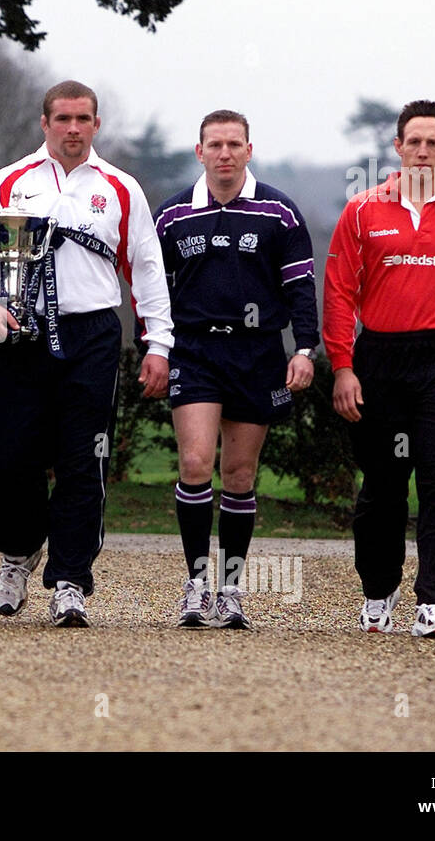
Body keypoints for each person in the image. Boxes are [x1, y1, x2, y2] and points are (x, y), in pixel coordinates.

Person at [0, 80, 173, 627]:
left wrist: (159, 345)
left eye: (83, 119)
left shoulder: (121, 189)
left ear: (96, 125)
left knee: (83, 459)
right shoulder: (9, 182)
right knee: (7, 458)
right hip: (19, 335)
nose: (73, 129)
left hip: (92, 336)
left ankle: (71, 579)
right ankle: (20, 548)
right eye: (63, 119)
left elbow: (146, 269)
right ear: (45, 122)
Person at [324, 99, 435, 640]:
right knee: (382, 485)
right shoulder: (362, 211)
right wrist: (342, 366)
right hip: (378, 359)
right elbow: (338, 293)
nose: (422, 151)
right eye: (413, 141)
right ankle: (378, 592)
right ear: (397, 147)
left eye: (433, 142)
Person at [153, 110, 319, 629]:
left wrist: (305, 349)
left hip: (259, 354)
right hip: (196, 351)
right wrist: (154, 344)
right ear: (199, 151)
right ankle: (195, 585)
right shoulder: (173, 216)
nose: (224, 154)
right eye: (215, 145)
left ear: (250, 150)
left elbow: (300, 288)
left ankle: (230, 589)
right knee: (197, 463)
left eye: (234, 145)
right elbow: (153, 292)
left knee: (240, 475)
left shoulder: (279, 213)